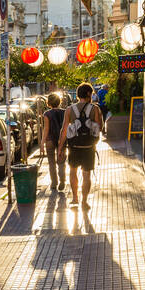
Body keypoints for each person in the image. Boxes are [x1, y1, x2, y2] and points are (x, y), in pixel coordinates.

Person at [58, 81, 103, 210]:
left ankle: (75, 198)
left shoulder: (69, 110)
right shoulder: (95, 109)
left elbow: (64, 130)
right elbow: (99, 127)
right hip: (89, 148)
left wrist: (60, 148)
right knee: (86, 174)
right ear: (88, 94)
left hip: (74, 147)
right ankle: (84, 201)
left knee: (72, 172)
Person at [41, 92, 66, 192]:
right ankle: (62, 180)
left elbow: (46, 129)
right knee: (61, 162)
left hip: (50, 140)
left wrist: (42, 142)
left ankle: (54, 183)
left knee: (51, 163)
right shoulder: (65, 112)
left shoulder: (47, 114)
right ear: (59, 102)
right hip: (62, 139)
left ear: (49, 103)